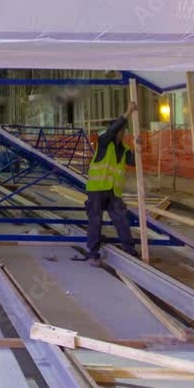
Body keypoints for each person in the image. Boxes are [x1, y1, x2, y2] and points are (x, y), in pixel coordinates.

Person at [84, 101, 140, 265]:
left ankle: (129, 251)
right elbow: (112, 129)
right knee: (95, 220)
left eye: (124, 131)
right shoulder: (104, 141)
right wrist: (127, 112)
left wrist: (138, 147)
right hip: (97, 189)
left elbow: (134, 162)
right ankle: (93, 253)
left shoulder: (124, 148)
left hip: (113, 192)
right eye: (121, 130)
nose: (122, 133)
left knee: (122, 220)